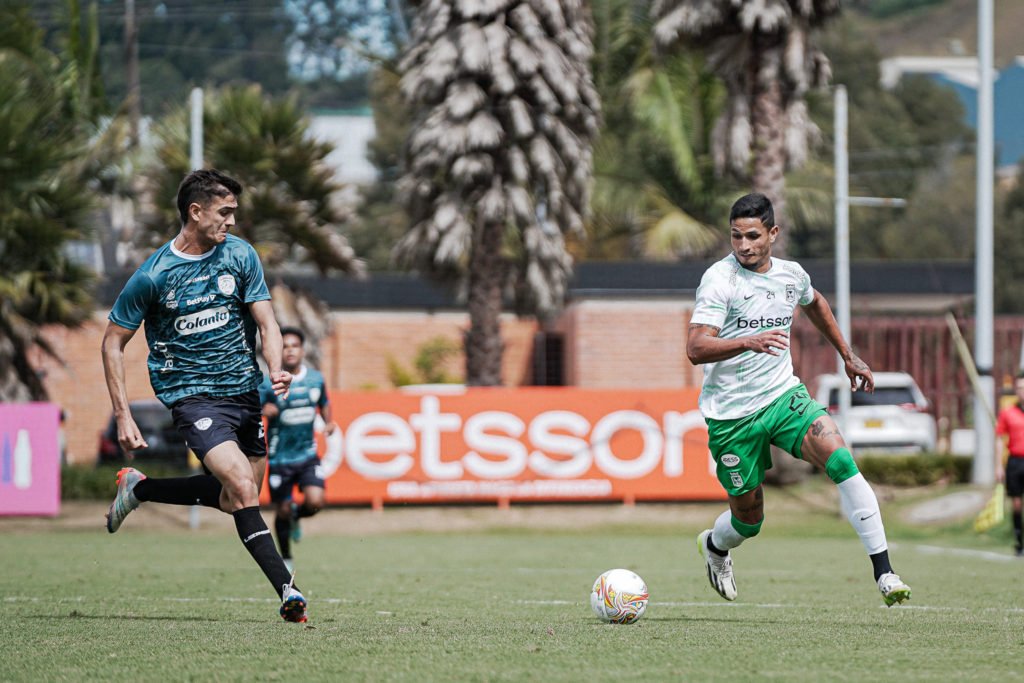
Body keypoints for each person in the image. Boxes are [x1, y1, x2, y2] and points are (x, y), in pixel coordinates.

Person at [100, 169, 308, 623]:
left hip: (244, 392)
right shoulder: (153, 276)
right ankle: (288, 591)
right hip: (192, 397)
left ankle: (141, 488)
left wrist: (275, 367)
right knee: (239, 486)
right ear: (195, 212)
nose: (232, 222)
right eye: (224, 212)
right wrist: (122, 414)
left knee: (239, 496)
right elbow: (112, 342)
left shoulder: (240, 256)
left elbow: (268, 323)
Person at [686, 192, 911, 606]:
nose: (744, 246)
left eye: (753, 236)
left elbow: (815, 302)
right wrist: (748, 341)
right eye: (736, 237)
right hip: (731, 415)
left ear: (773, 233)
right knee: (748, 521)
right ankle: (716, 548)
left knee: (839, 457)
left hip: (782, 396)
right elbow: (697, 348)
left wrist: (848, 355)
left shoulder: (791, 274)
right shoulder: (720, 280)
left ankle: (885, 573)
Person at [259, 327, 335, 573]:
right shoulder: (268, 382)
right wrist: (262, 410)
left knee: (315, 502)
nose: (290, 350)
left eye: (294, 345)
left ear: (302, 350)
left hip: (307, 454)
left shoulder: (316, 379)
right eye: (285, 346)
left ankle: (296, 517)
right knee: (281, 509)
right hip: (280, 457)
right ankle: (287, 557)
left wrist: (328, 421)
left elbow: (324, 402)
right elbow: (250, 408)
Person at [994, 374, 1024, 556]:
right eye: (1020, 388)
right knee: (1016, 503)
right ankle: (1019, 541)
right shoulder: (1008, 413)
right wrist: (998, 465)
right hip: (1015, 461)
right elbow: (999, 439)